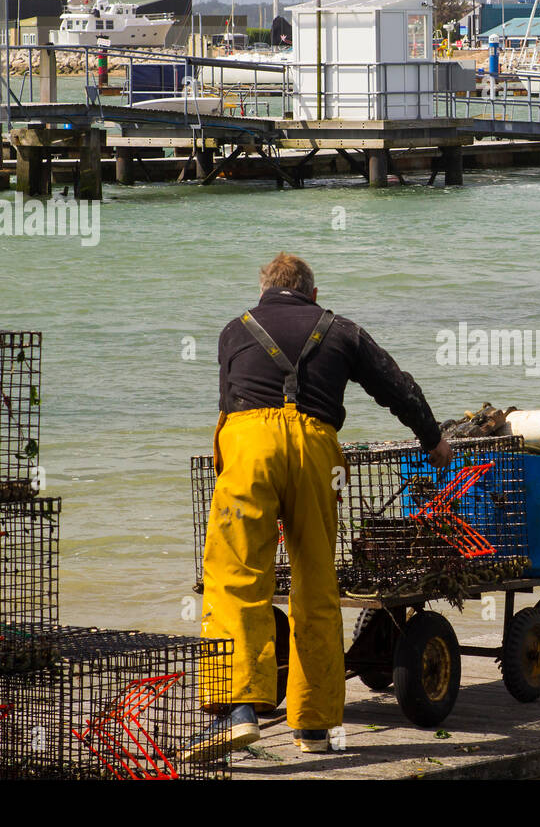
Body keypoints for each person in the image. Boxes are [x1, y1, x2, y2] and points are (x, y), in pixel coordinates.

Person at [183, 253, 451, 762]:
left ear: (263, 292)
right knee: (316, 584)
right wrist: (432, 438)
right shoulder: (342, 330)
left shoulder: (232, 332)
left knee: (235, 580)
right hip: (316, 452)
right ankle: (314, 727)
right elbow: (396, 385)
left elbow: (228, 406)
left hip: (248, 450)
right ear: (312, 293)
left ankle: (238, 711)